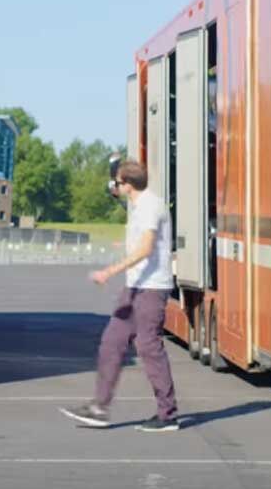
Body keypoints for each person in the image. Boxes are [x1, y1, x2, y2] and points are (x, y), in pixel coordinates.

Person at [61, 161, 180, 433]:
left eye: (117, 182)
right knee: (111, 343)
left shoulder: (151, 206)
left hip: (151, 288)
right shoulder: (138, 205)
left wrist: (109, 271)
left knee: (149, 347)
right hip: (134, 287)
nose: (115, 186)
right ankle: (99, 408)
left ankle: (168, 414)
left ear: (127, 184)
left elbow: (146, 248)